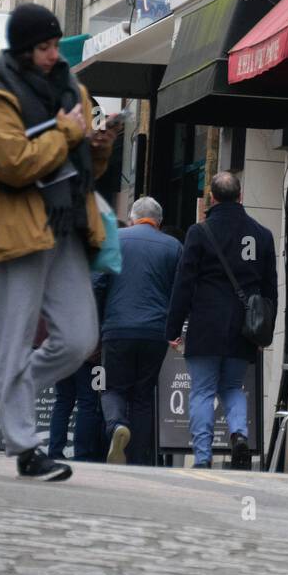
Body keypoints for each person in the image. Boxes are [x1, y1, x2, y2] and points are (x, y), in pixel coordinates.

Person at [0, 4, 118, 482]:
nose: (53, 55)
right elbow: (14, 164)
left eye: (55, 45)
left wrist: (98, 146)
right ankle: (26, 449)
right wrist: (66, 132)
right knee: (12, 343)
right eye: (44, 47)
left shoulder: (74, 89)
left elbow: (91, 169)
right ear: (24, 50)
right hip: (20, 234)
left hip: (69, 227)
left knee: (78, 339)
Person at [175, 171, 276, 469]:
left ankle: (203, 457)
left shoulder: (199, 232)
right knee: (233, 387)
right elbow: (270, 289)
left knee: (203, 390)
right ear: (241, 196)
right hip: (243, 328)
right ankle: (239, 435)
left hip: (205, 324)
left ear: (212, 198)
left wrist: (173, 328)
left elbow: (184, 283)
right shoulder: (262, 235)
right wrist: (264, 334)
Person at [99, 196, 187, 466]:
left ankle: (116, 426)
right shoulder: (174, 246)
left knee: (113, 388)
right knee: (143, 394)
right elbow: (180, 292)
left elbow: (97, 284)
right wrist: (174, 330)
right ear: (159, 223)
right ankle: (138, 459)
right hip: (155, 332)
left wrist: (99, 324)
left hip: (117, 330)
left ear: (132, 216)